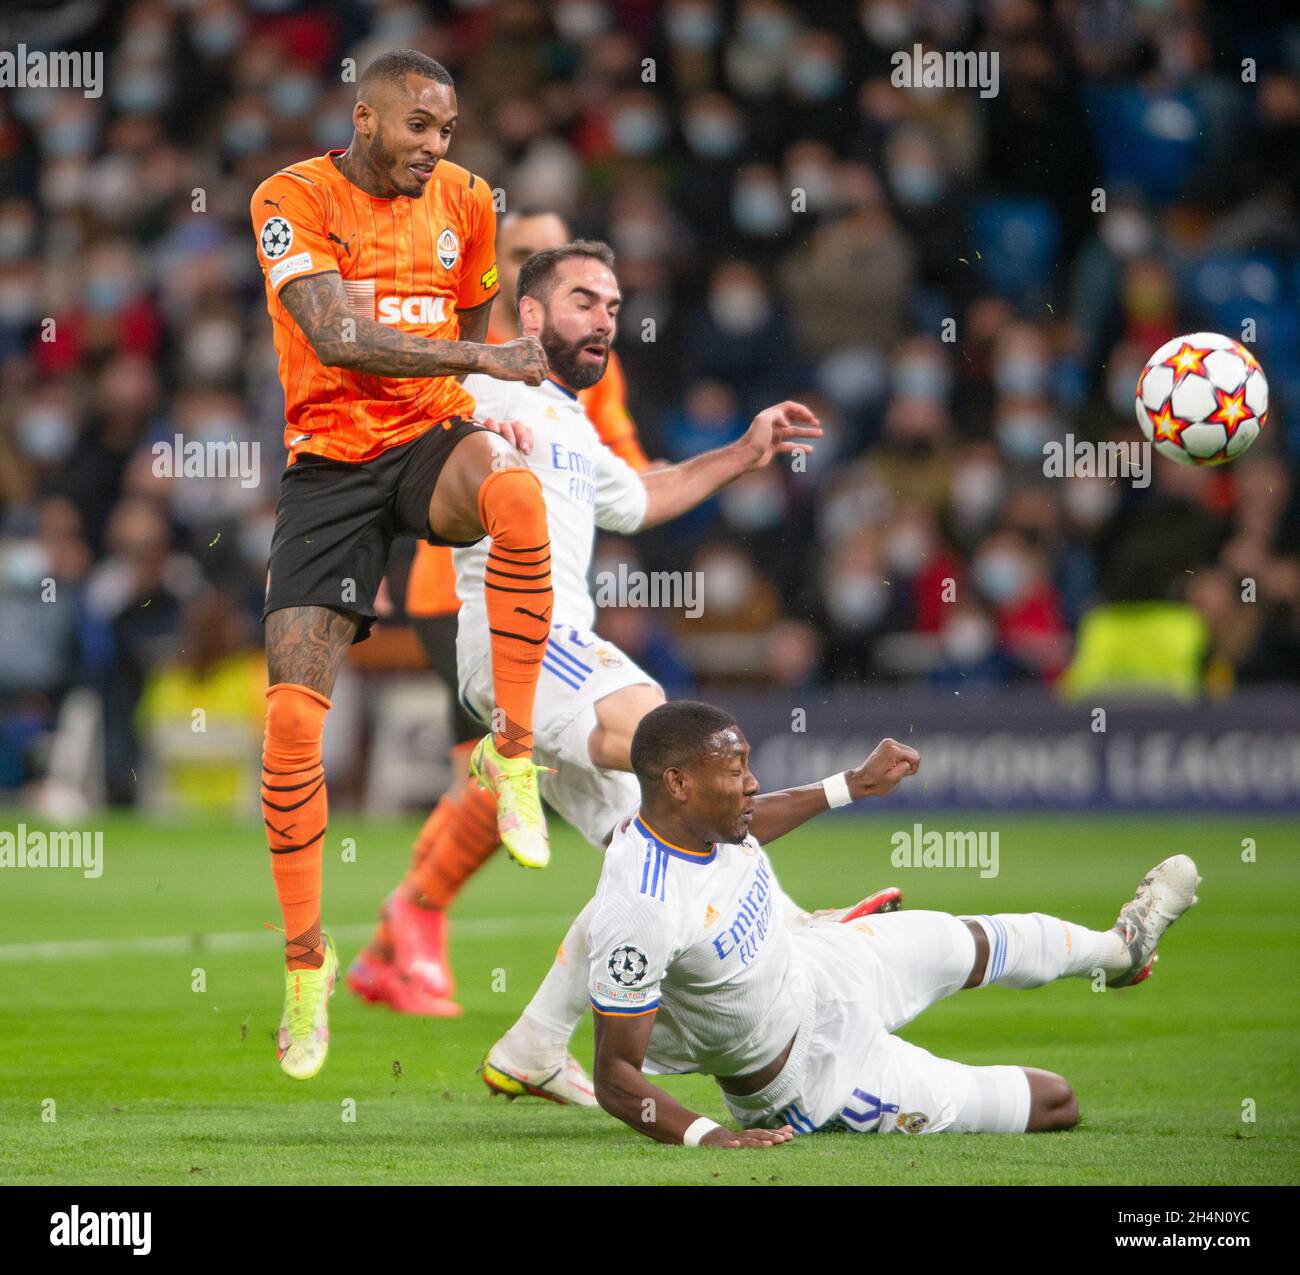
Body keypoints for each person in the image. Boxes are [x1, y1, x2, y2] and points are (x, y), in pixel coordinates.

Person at [251, 49, 556, 1080]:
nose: (437, 147)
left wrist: (470, 386)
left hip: (426, 439)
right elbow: (335, 334)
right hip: (330, 464)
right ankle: (306, 964)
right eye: (419, 126)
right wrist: (482, 361)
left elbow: (470, 318)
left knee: (517, 495)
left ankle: (509, 752)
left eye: (449, 130)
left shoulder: (469, 202)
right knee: (292, 719)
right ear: (366, 119)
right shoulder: (290, 197)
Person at [553, 700, 1199, 1146]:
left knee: (970, 939)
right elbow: (614, 1074)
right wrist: (710, 1135)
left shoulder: (710, 820)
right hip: (815, 1080)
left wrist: (851, 786)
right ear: (678, 784)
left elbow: (757, 819)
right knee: (1058, 1100)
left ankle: (1121, 949)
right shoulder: (640, 905)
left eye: (748, 762)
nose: (752, 783)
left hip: (824, 965)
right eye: (735, 770)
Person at [356, 209, 653, 1017]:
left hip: (546, 600)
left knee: (513, 770)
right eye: (518, 257)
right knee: (505, 769)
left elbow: (626, 475)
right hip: (452, 591)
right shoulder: (461, 357)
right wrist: (367, 562)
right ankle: (416, 915)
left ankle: (401, 938)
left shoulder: (587, 370)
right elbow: (389, 450)